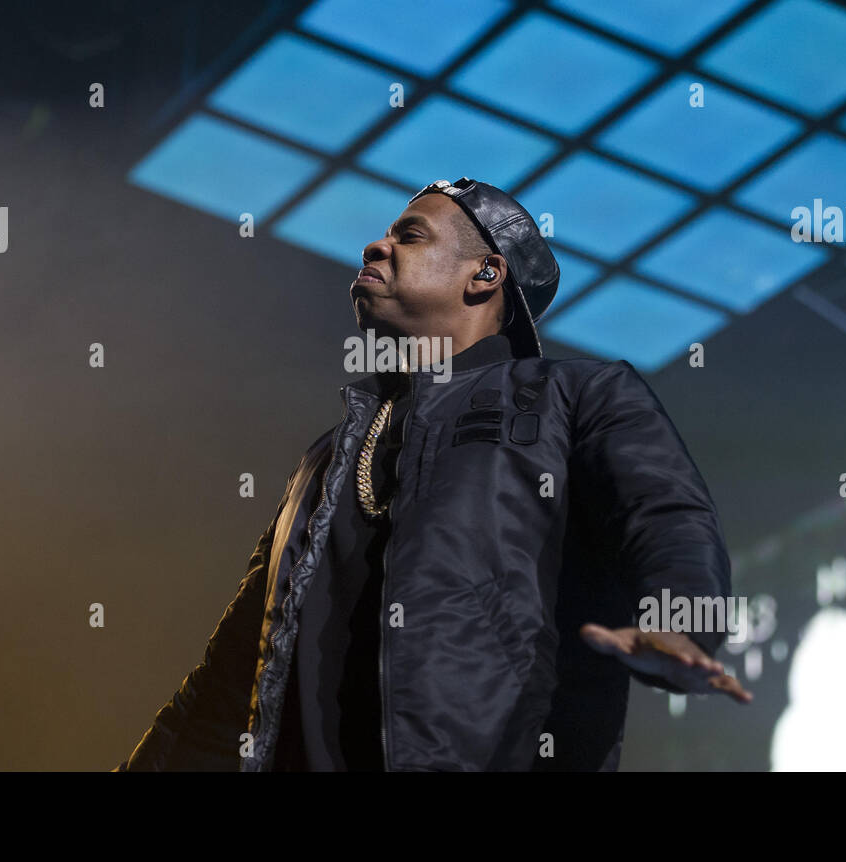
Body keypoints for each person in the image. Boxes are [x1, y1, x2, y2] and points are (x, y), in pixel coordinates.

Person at [115, 177, 750, 772]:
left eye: (409, 235)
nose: (374, 244)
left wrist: (681, 624)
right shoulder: (328, 457)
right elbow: (231, 677)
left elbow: (667, 516)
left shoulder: (578, 395)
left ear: (485, 274)